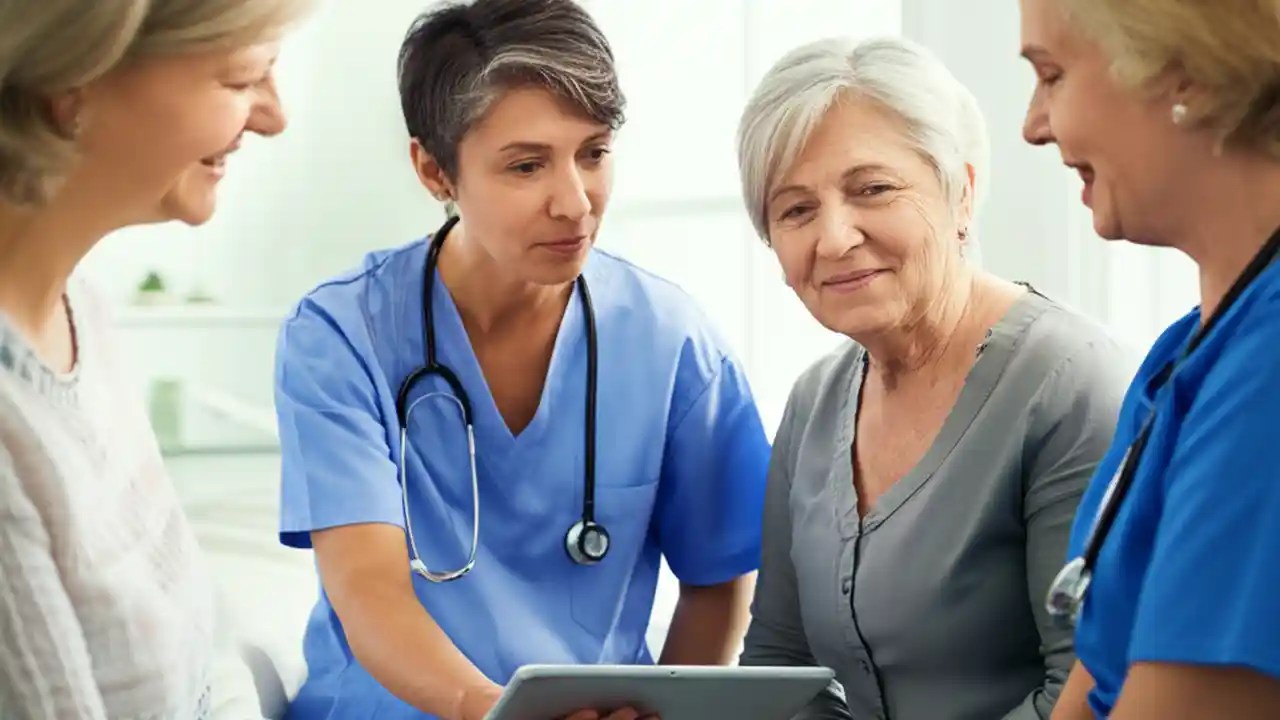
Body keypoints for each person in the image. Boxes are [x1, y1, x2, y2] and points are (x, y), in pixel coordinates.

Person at [270, 1, 769, 718]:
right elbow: (368, 590)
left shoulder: (672, 341)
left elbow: (719, 579)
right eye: (527, 165)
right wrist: (495, 713)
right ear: (434, 171)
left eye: (593, 153)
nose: (575, 203)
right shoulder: (341, 335)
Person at [734, 36, 1131, 720]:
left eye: (873, 189)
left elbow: (1086, 690)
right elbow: (779, 664)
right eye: (796, 209)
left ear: (962, 192)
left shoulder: (1067, 384)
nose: (833, 238)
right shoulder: (814, 403)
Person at [0, 0, 310, 718]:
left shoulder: (84, 316)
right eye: (242, 79)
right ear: (70, 81)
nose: (273, 116)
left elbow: (205, 643)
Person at [1018, 1, 1280, 718]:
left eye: (1052, 75)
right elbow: (1102, 668)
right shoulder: (1181, 355)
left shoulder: (1267, 376)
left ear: (1184, 72)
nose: (1033, 125)